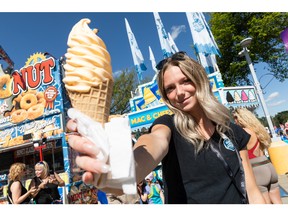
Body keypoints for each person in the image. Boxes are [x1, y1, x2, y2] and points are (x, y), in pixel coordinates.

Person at [66, 51, 265, 204]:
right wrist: (118, 168)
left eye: (185, 81)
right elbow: (154, 143)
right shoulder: (167, 125)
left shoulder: (229, 129)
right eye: (170, 88)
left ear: (199, 80)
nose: (179, 92)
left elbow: (252, 189)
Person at [232, 108, 283, 204]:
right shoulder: (258, 130)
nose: (234, 121)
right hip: (268, 166)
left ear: (241, 118)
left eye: (235, 118)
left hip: (256, 170)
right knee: (278, 202)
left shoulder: (243, 132)